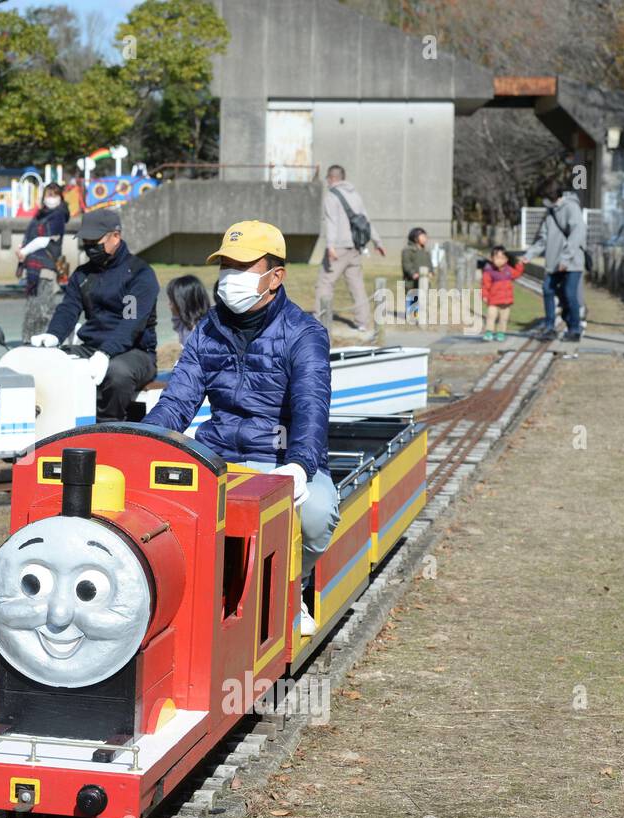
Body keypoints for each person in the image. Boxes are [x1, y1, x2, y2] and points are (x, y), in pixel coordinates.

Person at [142, 220, 339, 636]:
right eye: (226, 265)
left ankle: (291, 587)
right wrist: (144, 442)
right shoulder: (207, 331)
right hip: (221, 456)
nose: (230, 277)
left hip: (282, 459)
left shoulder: (304, 333)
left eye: (243, 266)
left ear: (275, 276)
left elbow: (311, 407)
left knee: (318, 512)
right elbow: (177, 401)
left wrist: (301, 465)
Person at [31, 207, 158, 421]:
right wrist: (53, 336)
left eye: (94, 242)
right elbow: (68, 309)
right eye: (85, 243)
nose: (90, 248)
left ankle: (108, 425)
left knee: (117, 373)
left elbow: (132, 322)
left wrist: (106, 353)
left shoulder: (139, 274)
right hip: (91, 347)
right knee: (50, 361)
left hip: (136, 351)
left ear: (115, 237)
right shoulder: (83, 275)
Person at [314, 165, 385, 335]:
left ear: (331, 178)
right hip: (355, 247)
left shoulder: (331, 196)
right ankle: (362, 322)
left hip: (338, 247)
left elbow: (331, 222)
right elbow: (365, 221)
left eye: (327, 178)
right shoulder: (355, 194)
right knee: (357, 285)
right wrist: (378, 241)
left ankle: (319, 322)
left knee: (325, 283)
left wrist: (330, 246)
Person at [522, 178, 586, 343]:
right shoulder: (550, 211)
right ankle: (550, 327)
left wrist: (566, 258)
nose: (543, 200)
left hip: (572, 261)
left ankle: (575, 329)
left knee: (570, 294)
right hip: (554, 261)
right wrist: (528, 255)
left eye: (545, 196)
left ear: (552, 195)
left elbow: (577, 234)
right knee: (548, 289)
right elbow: (543, 238)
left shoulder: (571, 207)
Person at [18, 183, 69, 342]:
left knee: (45, 307)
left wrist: (24, 251)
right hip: (33, 266)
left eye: (54, 195)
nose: (51, 198)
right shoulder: (39, 215)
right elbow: (30, 236)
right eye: (48, 194)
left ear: (60, 197)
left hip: (46, 265)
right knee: (33, 306)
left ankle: (53, 338)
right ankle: (30, 340)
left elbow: (44, 240)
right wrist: (22, 247)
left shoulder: (58, 215)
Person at [480, 245, 525, 342]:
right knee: (491, 316)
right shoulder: (489, 271)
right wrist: (484, 295)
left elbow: (517, 273)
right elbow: (485, 285)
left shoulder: (509, 270)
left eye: (502, 258)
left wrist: (519, 264)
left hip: (506, 301)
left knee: (504, 318)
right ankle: (489, 332)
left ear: (506, 259)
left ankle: (501, 333)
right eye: (497, 258)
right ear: (492, 258)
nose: (500, 260)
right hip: (493, 300)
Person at [165, 275, 210, 346]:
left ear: (182, 303)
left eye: (171, 301)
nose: (169, 305)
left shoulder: (196, 335)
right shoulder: (185, 324)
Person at [401, 227, 433, 324]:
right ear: (415, 238)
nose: (425, 239)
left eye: (425, 237)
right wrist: (412, 273)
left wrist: (431, 271)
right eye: (422, 237)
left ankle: (423, 316)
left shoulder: (425, 251)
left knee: (424, 298)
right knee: (413, 296)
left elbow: (429, 263)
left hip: (424, 280)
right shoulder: (408, 250)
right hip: (412, 280)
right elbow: (406, 264)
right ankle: (412, 317)